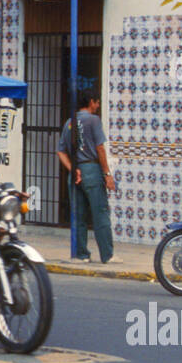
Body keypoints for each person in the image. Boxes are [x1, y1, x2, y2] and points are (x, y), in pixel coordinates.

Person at [56, 91, 116, 263]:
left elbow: (61, 152)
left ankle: (82, 254)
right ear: (91, 102)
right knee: (100, 213)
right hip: (91, 170)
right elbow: (100, 149)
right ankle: (108, 255)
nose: (97, 106)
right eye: (97, 103)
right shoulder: (93, 120)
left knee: (79, 216)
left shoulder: (69, 122)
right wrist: (107, 174)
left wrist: (73, 169)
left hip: (76, 174)